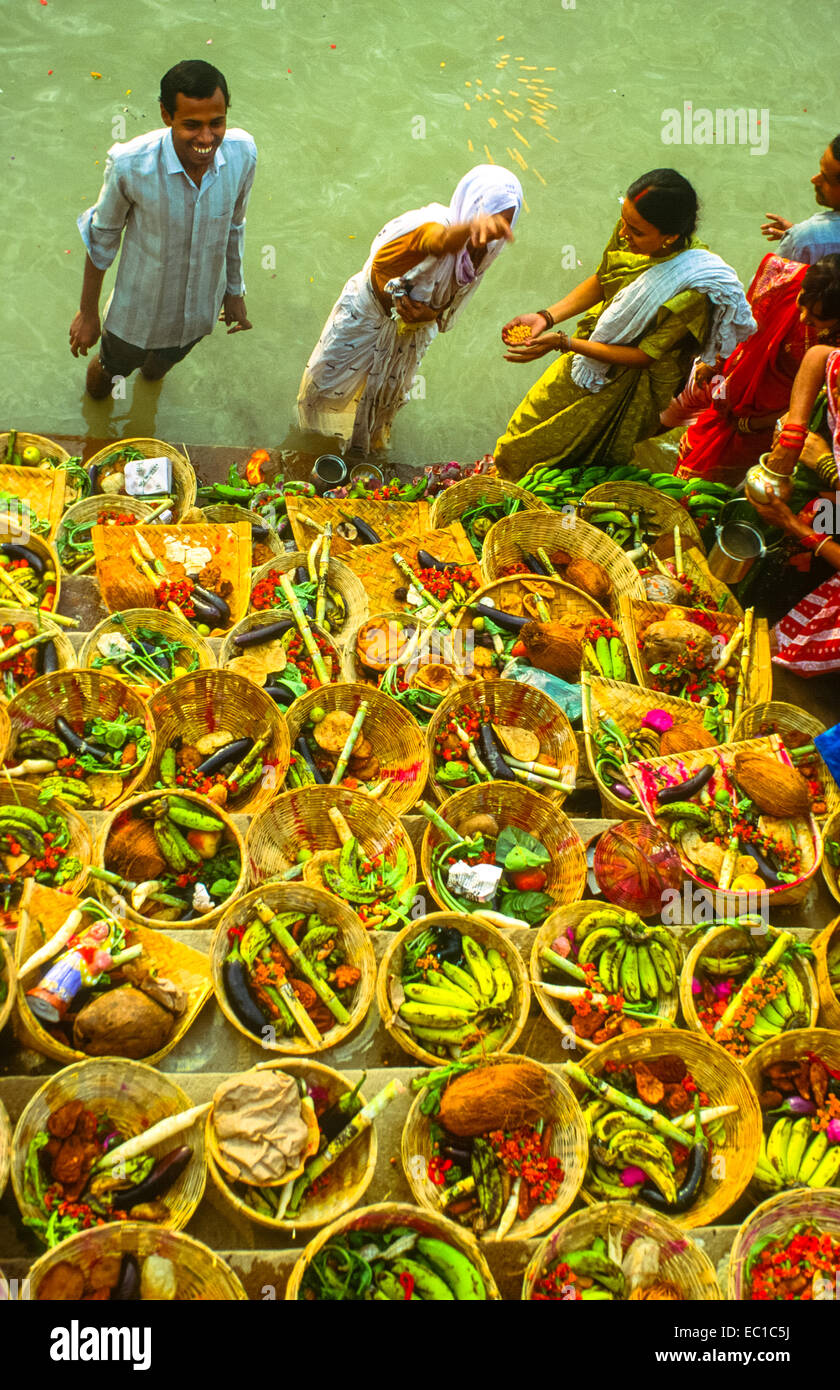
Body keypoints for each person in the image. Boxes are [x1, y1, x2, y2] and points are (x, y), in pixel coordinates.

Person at [493, 169, 754, 481]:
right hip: (591, 351)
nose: (624, 234)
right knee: (524, 430)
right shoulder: (631, 231)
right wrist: (545, 317)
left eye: (636, 231)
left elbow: (645, 356)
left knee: (580, 451)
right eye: (624, 221)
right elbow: (604, 279)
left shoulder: (694, 285)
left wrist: (564, 343)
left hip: (629, 380)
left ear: (669, 237)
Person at [296, 165, 522, 455]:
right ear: (472, 207)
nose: (494, 233)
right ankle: (311, 447)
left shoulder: (487, 249)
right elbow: (434, 242)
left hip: (410, 334)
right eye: (491, 220)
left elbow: (452, 294)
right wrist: (468, 229)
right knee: (326, 389)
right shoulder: (431, 225)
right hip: (367, 316)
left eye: (504, 223)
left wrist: (432, 314)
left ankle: (362, 452)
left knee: (384, 400)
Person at [70, 60, 257, 399]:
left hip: (198, 312)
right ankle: (96, 419)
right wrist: (87, 313)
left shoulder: (243, 154)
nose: (206, 138)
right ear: (165, 115)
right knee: (111, 373)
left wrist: (234, 292)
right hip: (137, 316)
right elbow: (102, 240)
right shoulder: (131, 164)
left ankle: (147, 400)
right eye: (192, 125)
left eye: (217, 123)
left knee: (157, 371)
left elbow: (234, 225)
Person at [673, 254, 840, 485]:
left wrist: (754, 425)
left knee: (729, 484)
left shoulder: (834, 354)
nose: (803, 318)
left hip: (771, 425)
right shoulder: (785, 277)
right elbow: (748, 319)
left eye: (817, 318)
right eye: (802, 303)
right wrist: (718, 360)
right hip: (730, 400)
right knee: (692, 464)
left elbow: (816, 400)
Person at [746, 344, 840, 672]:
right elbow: (819, 357)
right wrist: (792, 436)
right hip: (827, 504)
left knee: (803, 578)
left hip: (829, 523)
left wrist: (797, 528)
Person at [761, 136, 840, 264]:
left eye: (826, 178)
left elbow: (765, 282)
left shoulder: (807, 237)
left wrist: (801, 240)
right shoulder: (809, 238)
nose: (814, 179)